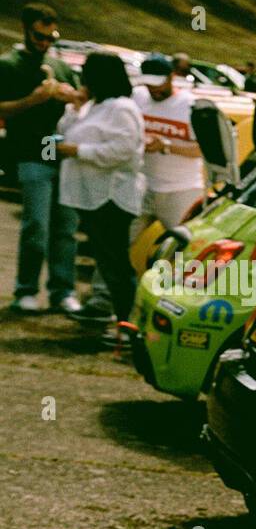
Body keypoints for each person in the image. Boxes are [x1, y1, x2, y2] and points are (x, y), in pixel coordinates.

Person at [56, 52, 145, 338]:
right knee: (107, 263)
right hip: (91, 196)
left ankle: (127, 325)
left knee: (116, 264)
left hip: (111, 197)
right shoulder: (95, 106)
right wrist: (75, 107)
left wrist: (79, 152)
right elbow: (64, 132)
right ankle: (119, 319)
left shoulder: (121, 108)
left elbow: (124, 149)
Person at [0, 2, 81, 314]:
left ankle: (63, 290)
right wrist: (31, 101)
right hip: (32, 152)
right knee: (36, 225)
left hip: (63, 152)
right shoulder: (8, 64)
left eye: (51, 37)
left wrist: (70, 96)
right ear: (26, 30)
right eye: (39, 37)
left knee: (66, 227)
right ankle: (27, 289)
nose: (45, 43)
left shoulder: (59, 66)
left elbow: (80, 98)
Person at [132, 54, 207, 237]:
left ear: (171, 77)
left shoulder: (190, 105)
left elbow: (203, 149)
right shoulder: (138, 97)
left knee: (185, 247)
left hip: (181, 190)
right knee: (121, 245)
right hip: (142, 185)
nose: (154, 89)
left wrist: (166, 146)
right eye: (149, 84)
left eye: (158, 84)